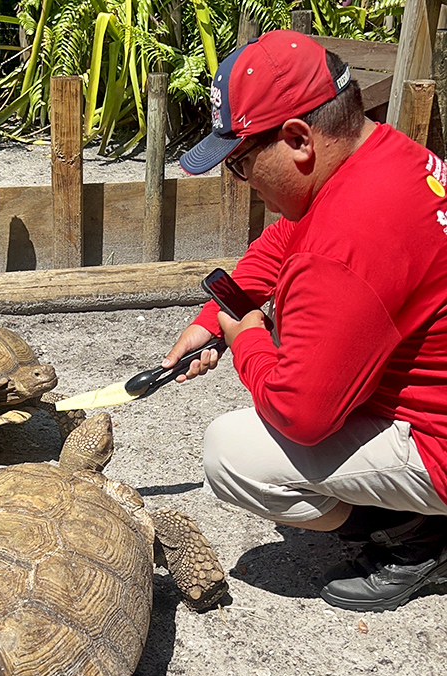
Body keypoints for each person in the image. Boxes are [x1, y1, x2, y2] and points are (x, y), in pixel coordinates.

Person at [163, 29, 447, 613]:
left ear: (297, 139)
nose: (240, 183)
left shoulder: (349, 237)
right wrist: (220, 312)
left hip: (439, 442)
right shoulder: (381, 153)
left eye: (241, 164)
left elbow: (301, 413)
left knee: (232, 453)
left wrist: (247, 339)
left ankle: (418, 535)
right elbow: (284, 239)